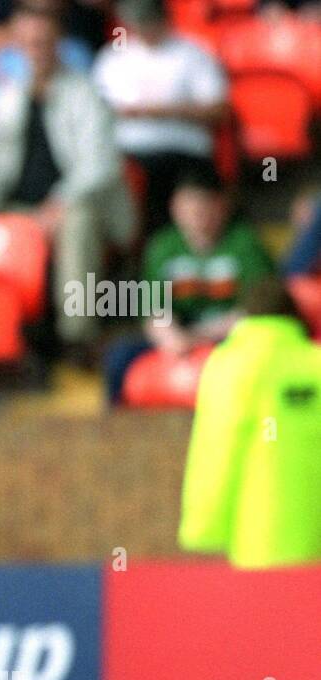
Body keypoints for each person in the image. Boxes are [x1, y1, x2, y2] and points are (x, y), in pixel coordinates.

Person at [0, 4, 134, 357]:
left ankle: (77, 335)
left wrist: (58, 204)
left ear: (58, 43)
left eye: (42, 42)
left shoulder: (85, 92)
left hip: (78, 207)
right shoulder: (6, 99)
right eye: (27, 42)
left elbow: (100, 166)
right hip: (19, 208)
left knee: (78, 222)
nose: (35, 50)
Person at [179, 278, 321, 567]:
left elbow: (217, 447)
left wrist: (202, 528)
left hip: (257, 543)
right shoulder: (315, 364)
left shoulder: (230, 364)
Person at [103, 167, 275, 404]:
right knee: (120, 355)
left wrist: (195, 337)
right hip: (177, 337)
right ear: (175, 207)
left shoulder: (246, 245)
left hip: (228, 338)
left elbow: (255, 310)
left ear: (222, 205)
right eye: (189, 204)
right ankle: (113, 427)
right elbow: (154, 309)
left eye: (204, 205)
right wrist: (171, 336)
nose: (196, 213)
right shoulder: (162, 246)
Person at [92, 0, 229, 239]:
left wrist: (165, 111)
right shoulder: (113, 57)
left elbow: (219, 111)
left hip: (184, 150)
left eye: (149, 20)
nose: (144, 28)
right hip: (126, 151)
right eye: (138, 22)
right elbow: (95, 109)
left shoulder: (193, 53)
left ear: (164, 18)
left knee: (176, 187)